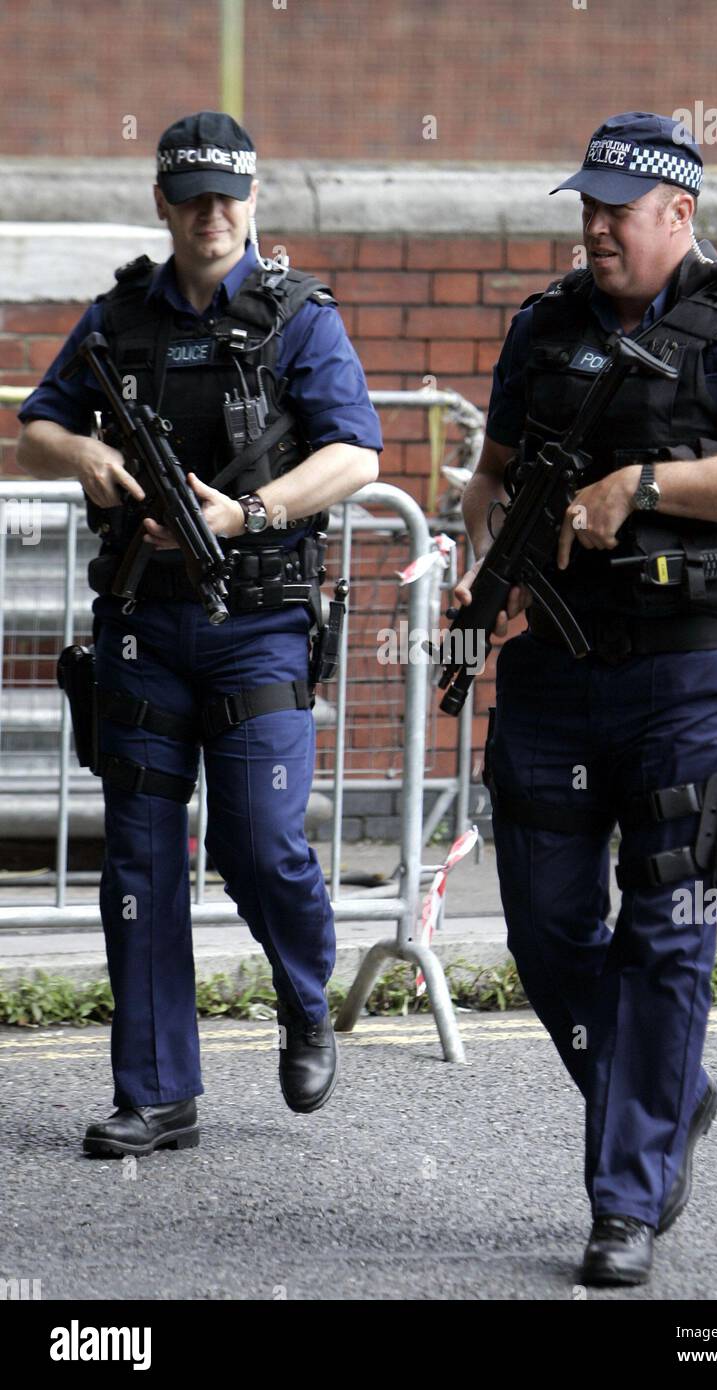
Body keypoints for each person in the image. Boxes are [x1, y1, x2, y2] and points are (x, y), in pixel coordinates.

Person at [455, 112, 717, 1285]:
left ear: (681, 211)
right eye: (587, 205)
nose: (597, 225)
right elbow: (493, 476)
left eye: (620, 208)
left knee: (665, 928)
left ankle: (625, 1200)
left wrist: (645, 483)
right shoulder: (544, 327)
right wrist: (486, 567)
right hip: (554, 673)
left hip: (681, 673)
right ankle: (667, 1093)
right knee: (546, 924)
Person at [17, 111, 381, 1156]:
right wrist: (82, 457)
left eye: (229, 193)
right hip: (140, 624)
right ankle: (158, 1091)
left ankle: (305, 996)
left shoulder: (298, 316)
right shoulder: (117, 317)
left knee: (259, 846)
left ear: (252, 199)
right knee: (137, 860)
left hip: (257, 621)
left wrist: (250, 511)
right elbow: (38, 420)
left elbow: (356, 453)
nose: (211, 211)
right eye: (192, 194)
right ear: (163, 203)